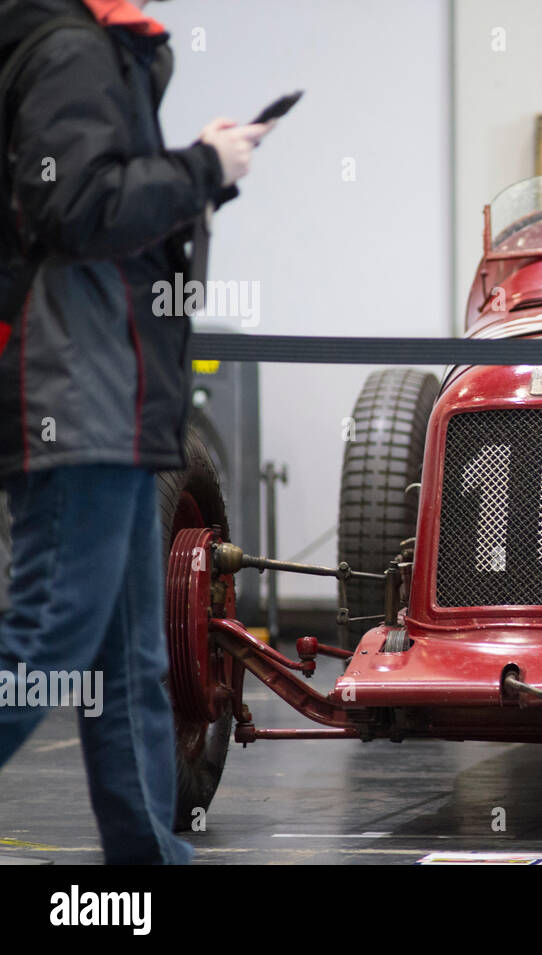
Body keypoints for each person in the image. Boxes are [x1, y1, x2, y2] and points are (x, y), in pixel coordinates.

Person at [0, 0, 269, 864]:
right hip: (77, 394)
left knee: (128, 654)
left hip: (111, 392)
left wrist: (200, 178)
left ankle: (149, 857)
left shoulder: (95, 53)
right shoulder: (72, 52)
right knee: (53, 634)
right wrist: (196, 167)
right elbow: (74, 208)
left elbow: (104, 209)